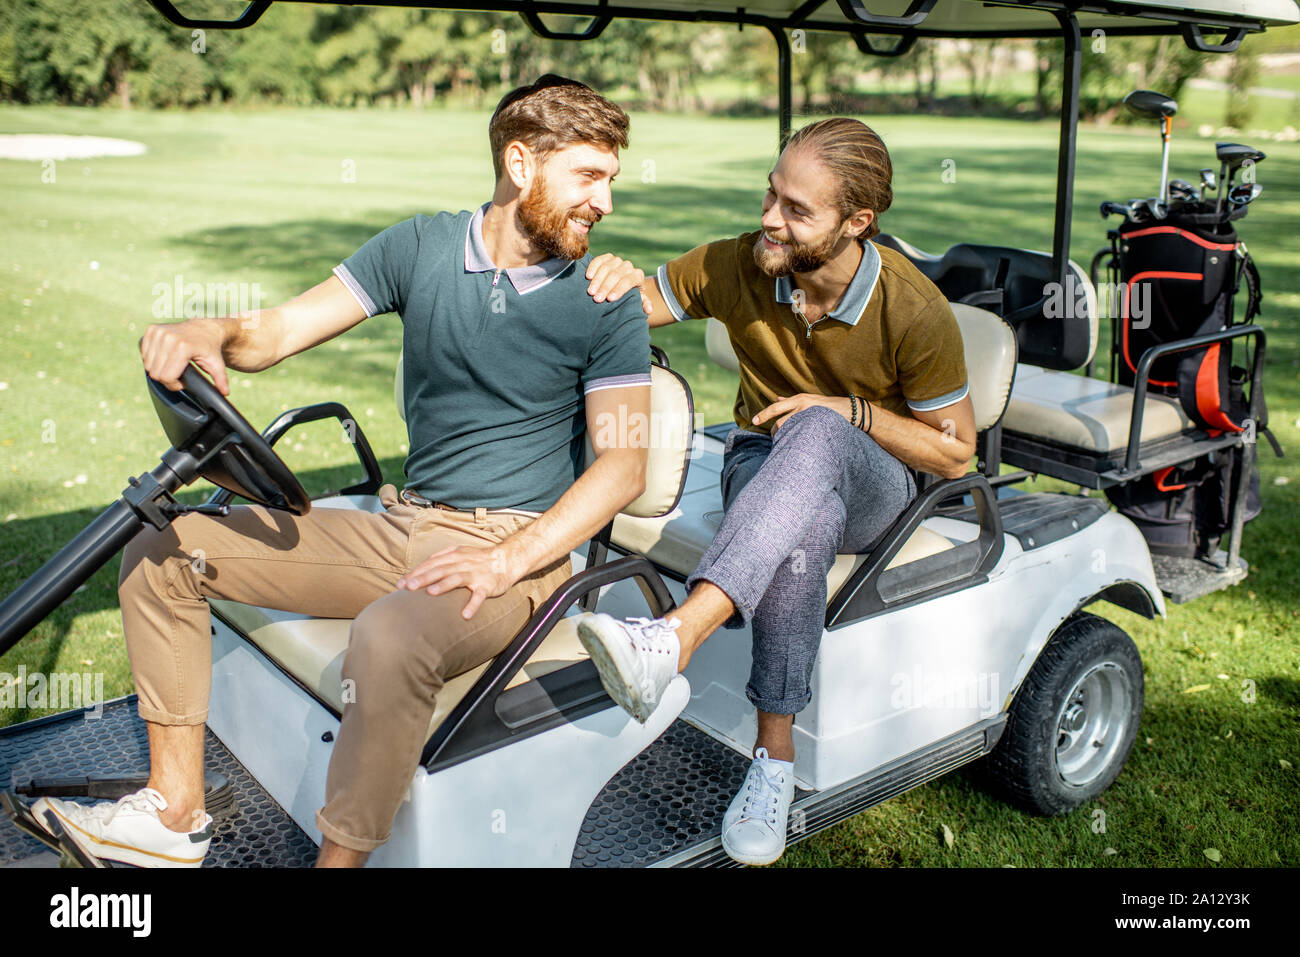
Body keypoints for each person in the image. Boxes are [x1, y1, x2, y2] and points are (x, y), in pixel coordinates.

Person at [32, 75, 654, 868]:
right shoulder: (419, 248)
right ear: (521, 162)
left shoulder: (606, 301)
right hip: (402, 524)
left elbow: (624, 463)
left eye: (612, 181)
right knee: (163, 549)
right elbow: (280, 330)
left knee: (389, 634)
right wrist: (208, 329)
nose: (605, 203)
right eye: (589, 177)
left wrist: (506, 559)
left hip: (515, 551)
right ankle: (174, 812)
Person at [577, 117, 977, 865]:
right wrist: (606, 278)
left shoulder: (914, 310)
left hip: (878, 483)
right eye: (772, 191)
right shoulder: (741, 262)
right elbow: (640, 303)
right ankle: (775, 763)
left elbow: (956, 454)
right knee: (801, 524)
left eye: (797, 210)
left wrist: (844, 410)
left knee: (820, 436)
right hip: (762, 459)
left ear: (857, 223)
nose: (770, 217)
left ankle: (676, 636)